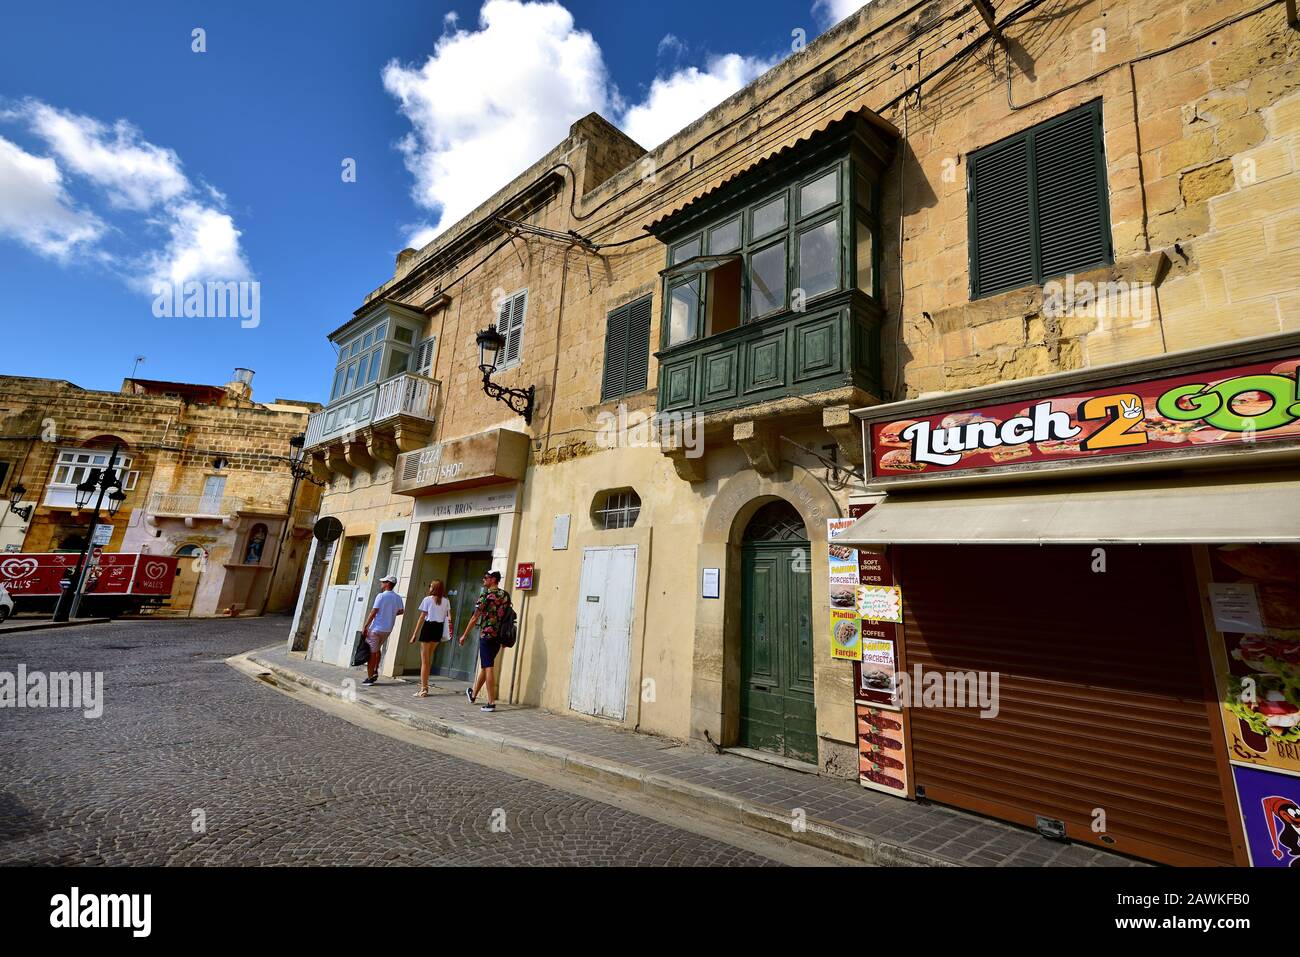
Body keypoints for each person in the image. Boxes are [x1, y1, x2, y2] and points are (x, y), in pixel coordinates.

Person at [459, 570, 510, 712]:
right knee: (486, 665)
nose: (483, 580)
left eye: (486, 578)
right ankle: (474, 694)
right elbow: (507, 617)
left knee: (488, 667)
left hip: (487, 635)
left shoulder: (486, 595)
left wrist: (464, 635)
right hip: (498, 636)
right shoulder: (505, 595)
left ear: (493, 579)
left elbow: (475, 616)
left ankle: (491, 702)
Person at [408, 579, 452, 698]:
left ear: (433, 588)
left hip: (428, 627)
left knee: (424, 661)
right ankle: (424, 687)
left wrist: (414, 634)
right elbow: (449, 618)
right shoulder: (446, 601)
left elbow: (422, 617)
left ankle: (424, 689)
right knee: (428, 659)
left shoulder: (427, 600)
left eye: (430, 586)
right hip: (438, 629)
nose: (429, 588)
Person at [361, 575, 403, 686]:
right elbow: (401, 611)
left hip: (376, 628)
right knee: (377, 649)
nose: (381, 583)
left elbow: (374, 611)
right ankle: (375, 669)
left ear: (388, 583)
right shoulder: (397, 597)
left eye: (383, 582)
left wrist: (365, 626)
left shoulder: (381, 596)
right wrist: (390, 614)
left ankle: (370, 678)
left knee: (372, 653)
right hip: (387, 629)